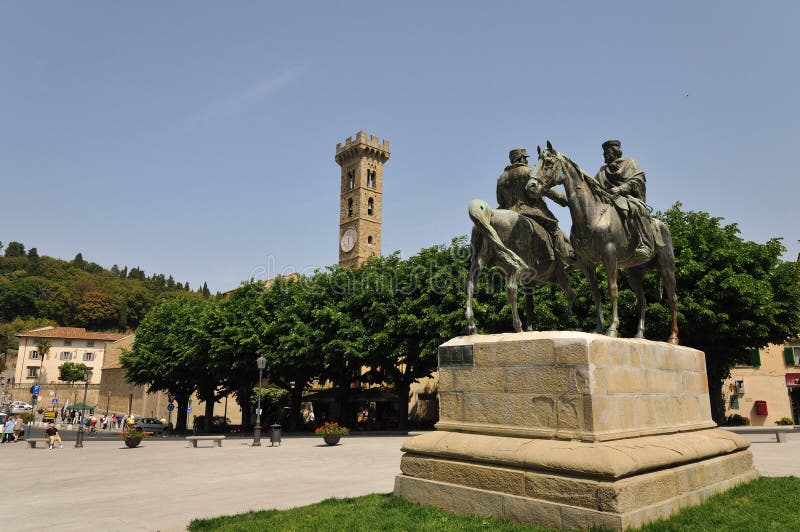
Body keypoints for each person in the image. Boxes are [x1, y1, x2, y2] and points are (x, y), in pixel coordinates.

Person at [496, 147, 574, 270]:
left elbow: (500, 201)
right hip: (532, 212)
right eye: (525, 158)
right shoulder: (530, 172)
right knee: (556, 232)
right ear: (521, 158)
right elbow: (547, 191)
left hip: (509, 213)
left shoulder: (501, 178)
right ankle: (566, 261)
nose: (526, 160)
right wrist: (565, 200)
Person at [594, 140, 654, 259]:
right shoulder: (602, 170)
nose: (604, 155)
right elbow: (595, 186)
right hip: (607, 200)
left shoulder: (630, 163)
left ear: (615, 151)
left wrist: (620, 189)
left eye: (607, 152)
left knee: (636, 209)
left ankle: (646, 244)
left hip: (627, 197)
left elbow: (638, 179)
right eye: (604, 152)